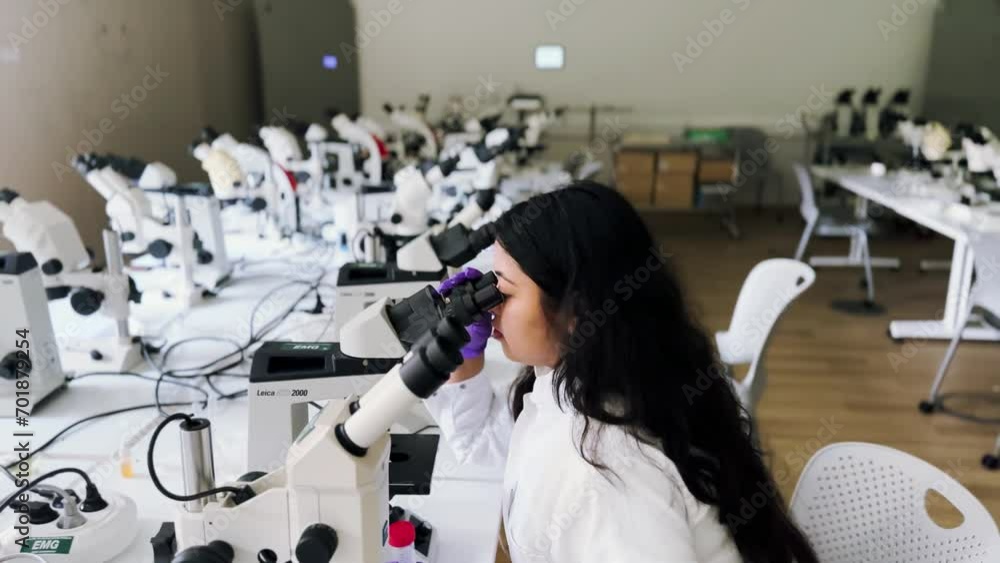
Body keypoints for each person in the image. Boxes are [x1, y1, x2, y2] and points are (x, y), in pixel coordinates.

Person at [425, 182, 818, 563]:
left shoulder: (603, 475)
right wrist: (463, 361)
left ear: (576, 310)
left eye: (503, 293)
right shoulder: (610, 375)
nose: (487, 308)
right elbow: (487, 452)